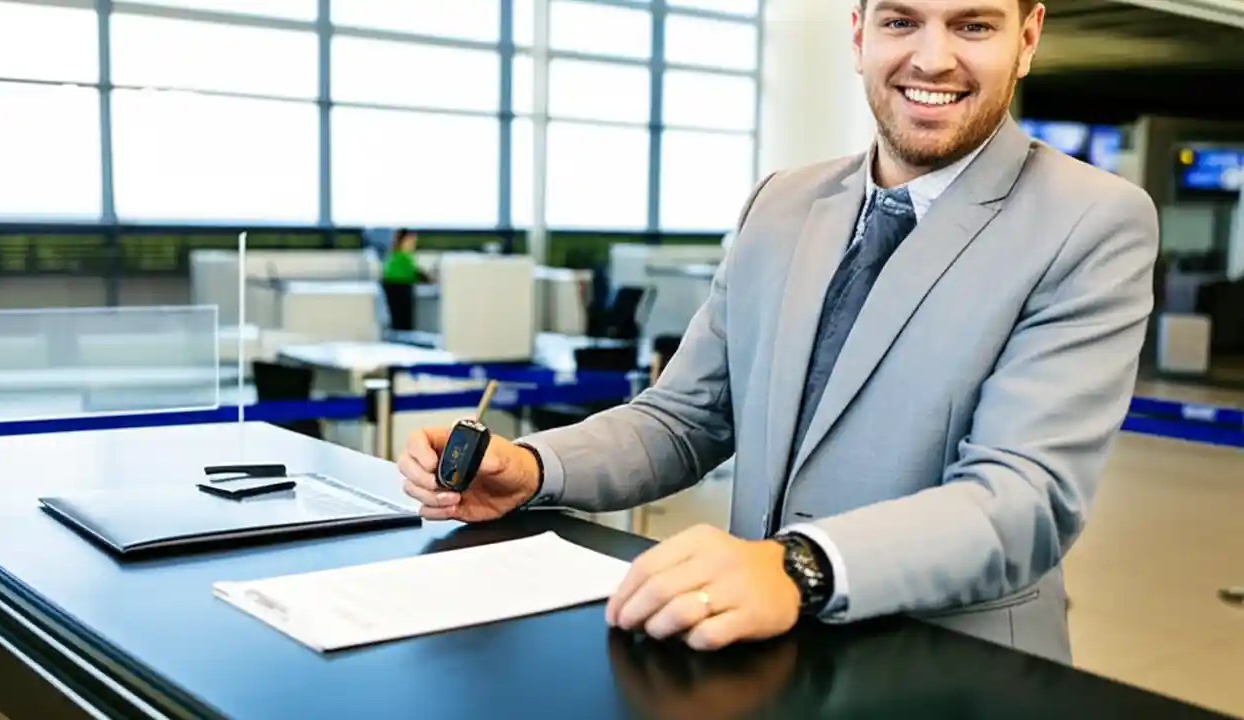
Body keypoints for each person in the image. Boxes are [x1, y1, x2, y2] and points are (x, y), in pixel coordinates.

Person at [399, 0, 1158, 664]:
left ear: (1027, 39)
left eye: (973, 25)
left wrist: (801, 567)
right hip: (760, 654)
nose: (933, 57)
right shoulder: (783, 202)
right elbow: (686, 417)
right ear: (859, 35)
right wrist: (532, 467)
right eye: (901, 21)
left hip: (952, 669)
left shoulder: (1090, 221)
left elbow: (1023, 499)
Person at [381, 228, 429, 331]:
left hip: (395, 286)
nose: (413, 244)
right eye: (410, 241)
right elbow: (415, 273)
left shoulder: (393, 256)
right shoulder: (402, 257)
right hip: (400, 287)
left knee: (398, 319)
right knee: (403, 320)